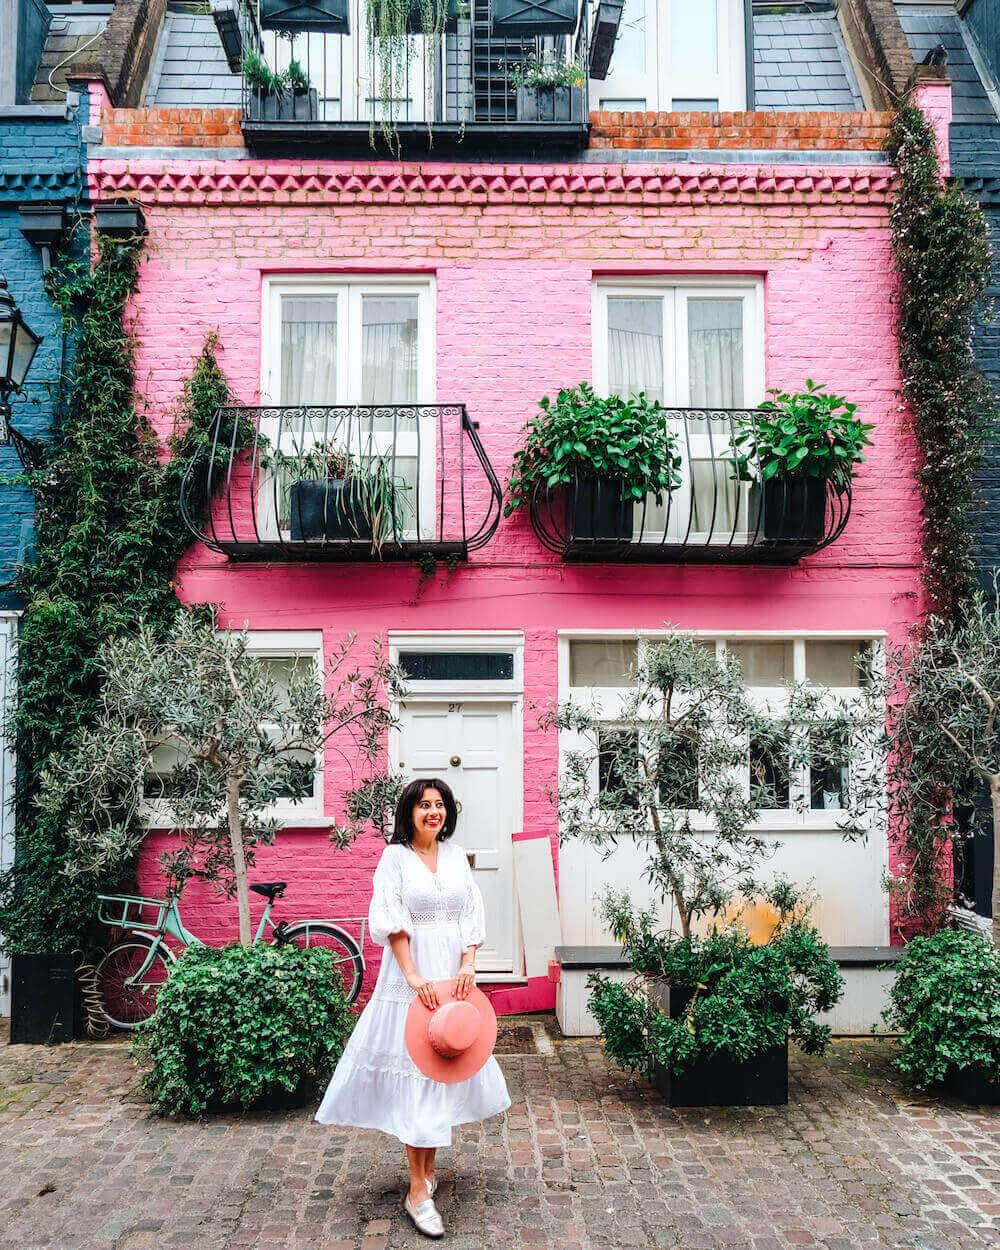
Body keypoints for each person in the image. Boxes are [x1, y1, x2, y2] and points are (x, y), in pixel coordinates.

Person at [315, 777, 512, 1237]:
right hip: (412, 977)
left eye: (439, 805)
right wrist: (412, 977)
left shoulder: (457, 856)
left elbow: (470, 914)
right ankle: (417, 1189)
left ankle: (427, 1172)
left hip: (452, 974)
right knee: (416, 1070)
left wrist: (468, 964)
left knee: (442, 1063)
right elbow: (392, 921)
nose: (433, 812)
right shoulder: (395, 858)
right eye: (424, 805)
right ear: (410, 811)